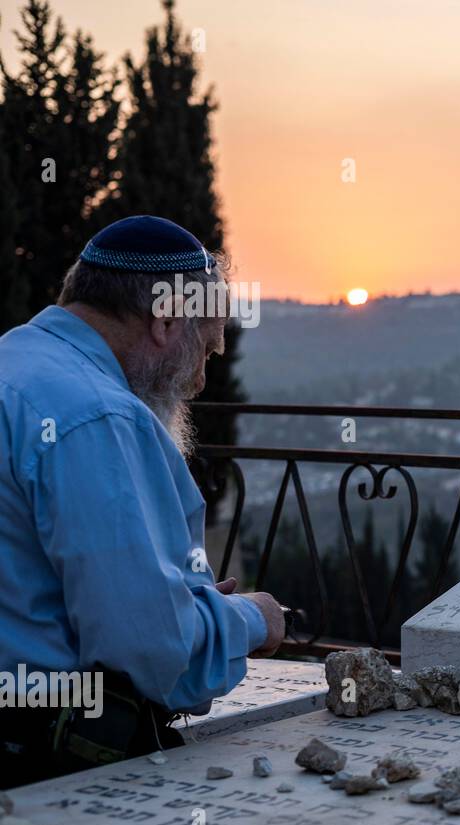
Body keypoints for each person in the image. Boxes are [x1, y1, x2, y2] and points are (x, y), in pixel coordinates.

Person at [0, 215, 286, 787]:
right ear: (166, 318)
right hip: (44, 761)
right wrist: (252, 619)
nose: (201, 381)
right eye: (205, 350)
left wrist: (174, 598)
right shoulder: (97, 414)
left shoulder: (16, 363)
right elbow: (152, 651)